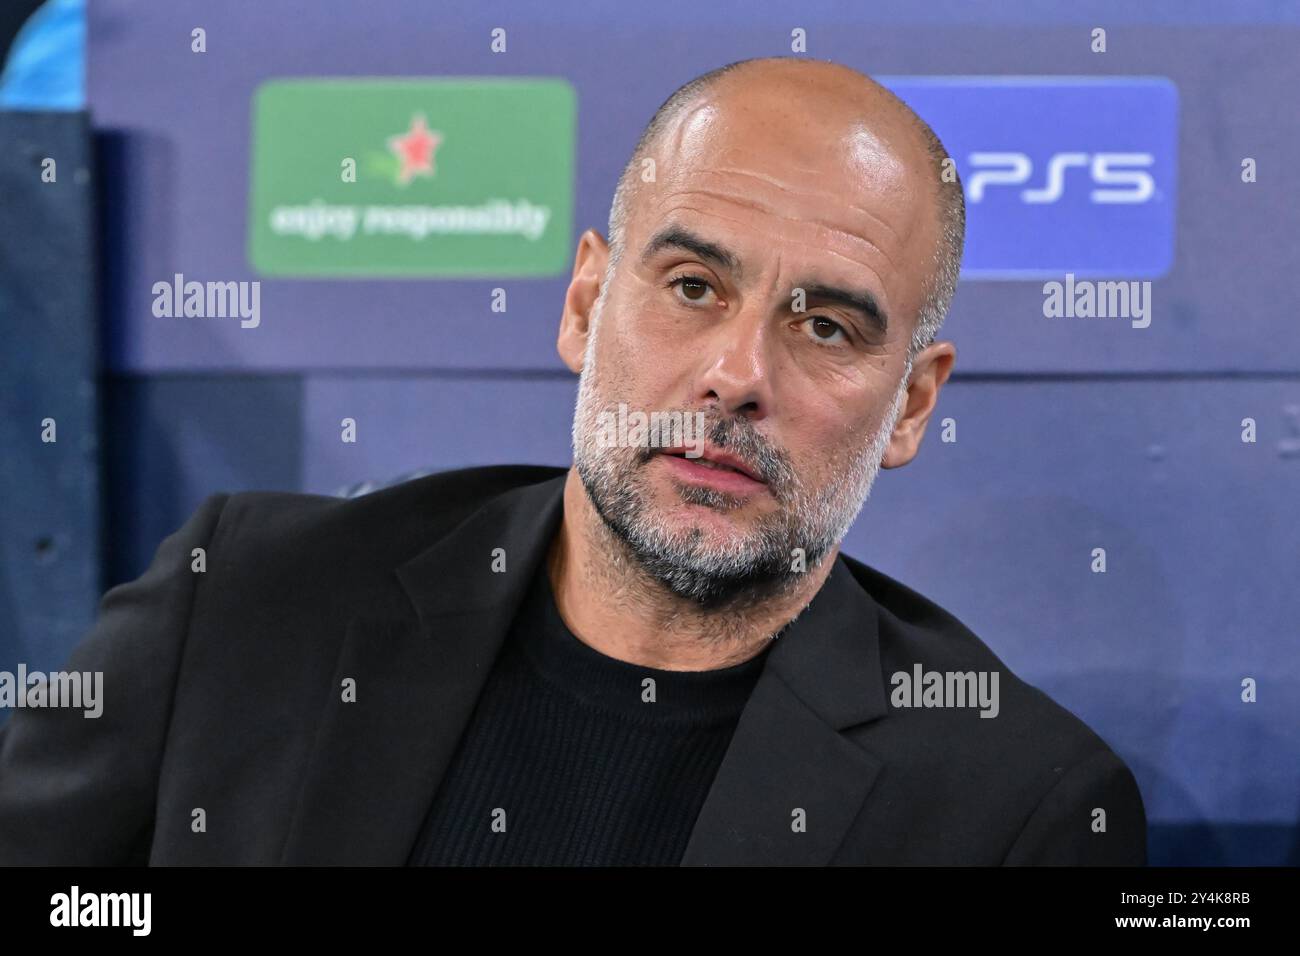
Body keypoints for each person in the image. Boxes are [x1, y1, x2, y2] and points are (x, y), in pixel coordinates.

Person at [0, 56, 1146, 865]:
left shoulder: (1011, 807)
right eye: (693, 286)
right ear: (587, 301)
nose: (735, 374)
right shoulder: (247, 601)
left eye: (826, 326)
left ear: (911, 405)